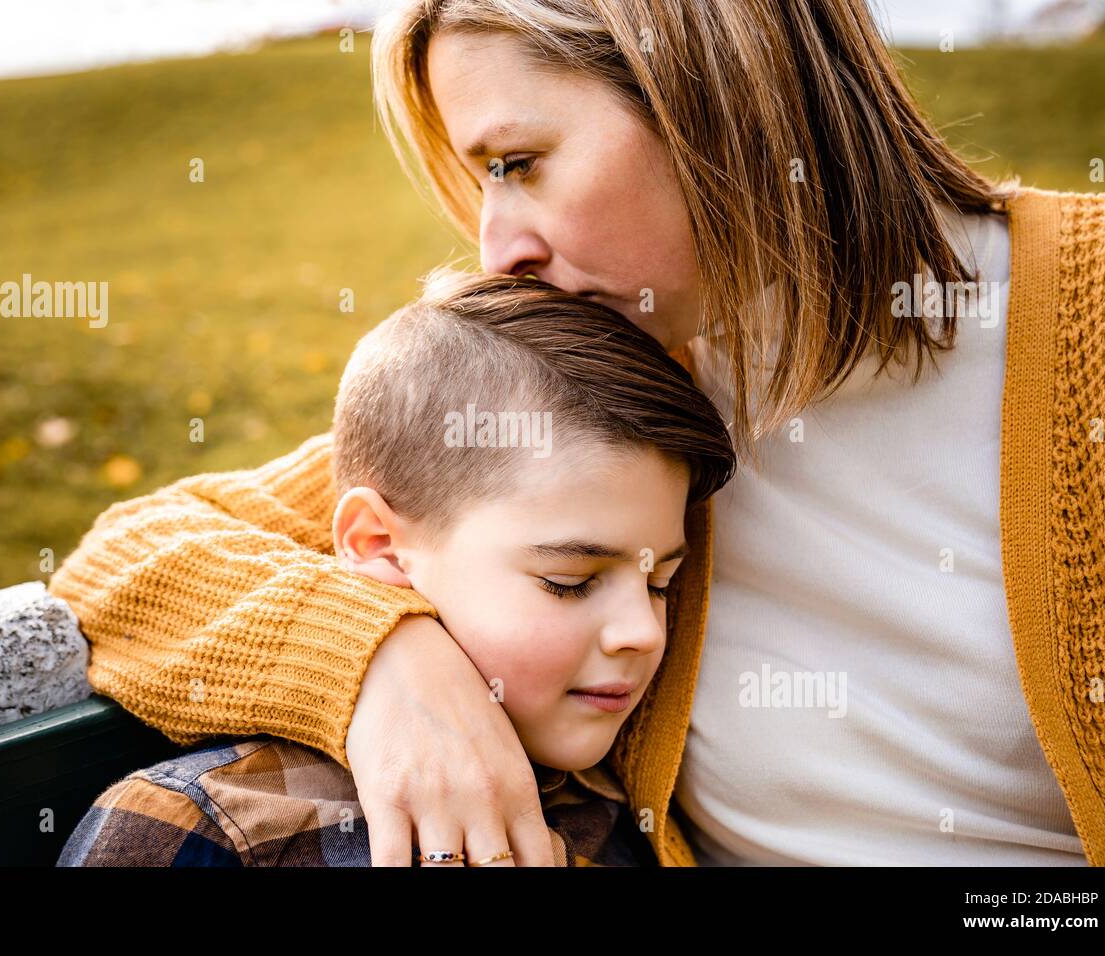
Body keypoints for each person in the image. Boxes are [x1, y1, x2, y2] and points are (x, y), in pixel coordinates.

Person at [47, 0, 1105, 865]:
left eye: (516, 162)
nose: (495, 247)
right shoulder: (624, 383)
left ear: (712, 96)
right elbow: (135, 558)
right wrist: (384, 663)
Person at [55, 268, 734, 866]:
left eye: (659, 584)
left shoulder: (616, 805)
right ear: (377, 543)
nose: (643, 632)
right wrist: (379, 646)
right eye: (570, 581)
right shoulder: (208, 829)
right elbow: (122, 553)